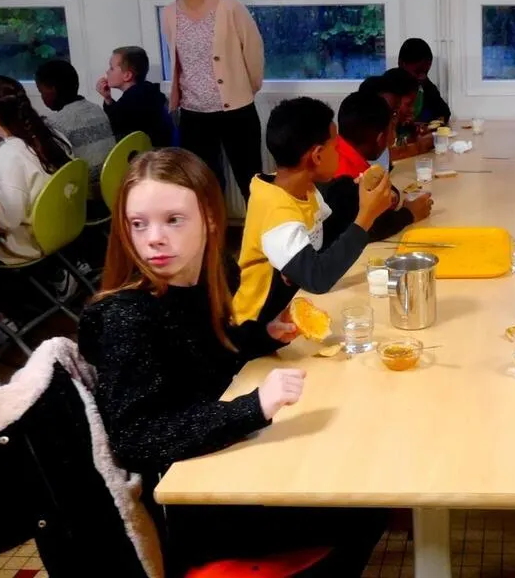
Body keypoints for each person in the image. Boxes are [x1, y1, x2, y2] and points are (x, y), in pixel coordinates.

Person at [77, 148, 387, 574]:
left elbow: (203, 363)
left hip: (223, 467)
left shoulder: (200, 278)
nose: (154, 238)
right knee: (365, 497)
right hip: (196, 507)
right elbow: (135, 437)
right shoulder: (128, 316)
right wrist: (253, 406)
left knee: (359, 464)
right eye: (138, 224)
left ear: (208, 219)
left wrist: (260, 338)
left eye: (173, 219)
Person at [231, 97, 394, 326]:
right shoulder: (276, 212)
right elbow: (317, 278)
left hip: (295, 306)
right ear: (317, 156)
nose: (339, 154)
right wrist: (366, 216)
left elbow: (326, 239)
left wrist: (359, 200)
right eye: (336, 148)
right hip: (259, 326)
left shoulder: (304, 189)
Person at [161, 0, 264, 201]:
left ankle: (261, 240)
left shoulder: (229, 7)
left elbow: (253, 54)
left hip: (236, 112)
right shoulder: (169, 13)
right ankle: (209, 240)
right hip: (194, 114)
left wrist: (243, 90)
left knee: (251, 181)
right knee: (201, 185)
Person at [319, 91, 433, 242]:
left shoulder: (351, 156)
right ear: (380, 139)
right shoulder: (340, 176)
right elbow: (367, 228)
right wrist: (409, 214)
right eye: (391, 129)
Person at [0, 76, 73, 265]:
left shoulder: (10, 155)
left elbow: (5, 220)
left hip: (23, 245)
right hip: (59, 230)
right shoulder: (51, 134)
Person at [35, 59, 114, 202]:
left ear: (52, 90)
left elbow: (53, 170)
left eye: (41, 91)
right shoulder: (96, 109)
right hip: (109, 189)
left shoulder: (55, 123)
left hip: (83, 197)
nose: (41, 97)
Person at [97, 45, 176, 148]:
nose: (107, 72)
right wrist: (108, 99)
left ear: (127, 76)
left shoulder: (132, 101)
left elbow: (115, 127)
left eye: (112, 68)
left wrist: (108, 101)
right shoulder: (147, 92)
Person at [398, 37, 450, 124]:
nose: (422, 76)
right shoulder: (387, 89)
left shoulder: (426, 87)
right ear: (402, 64)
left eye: (426, 72)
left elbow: (444, 114)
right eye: (417, 71)